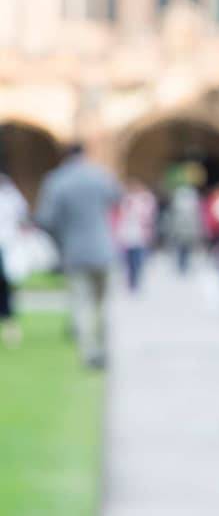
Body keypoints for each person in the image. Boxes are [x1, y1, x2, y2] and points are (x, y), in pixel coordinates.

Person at [34, 142, 121, 368]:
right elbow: (116, 198)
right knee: (101, 304)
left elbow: (46, 219)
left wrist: (62, 235)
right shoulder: (100, 176)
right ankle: (102, 349)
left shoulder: (56, 181)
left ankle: (89, 353)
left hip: (74, 251)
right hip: (103, 249)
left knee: (82, 304)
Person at [113, 178, 157, 293]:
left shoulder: (145, 200)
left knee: (138, 259)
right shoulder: (126, 200)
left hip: (140, 235)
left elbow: (148, 216)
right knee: (128, 261)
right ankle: (131, 281)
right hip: (127, 235)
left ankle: (136, 281)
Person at [0, 169, 28, 346]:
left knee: (5, 287)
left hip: (6, 246)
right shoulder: (11, 196)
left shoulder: (10, 196)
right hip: (7, 245)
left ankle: (10, 325)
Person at [165, 180, 204, 274]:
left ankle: (183, 264)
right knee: (182, 248)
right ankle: (182, 264)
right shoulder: (183, 203)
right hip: (182, 229)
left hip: (186, 229)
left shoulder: (187, 203)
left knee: (185, 248)